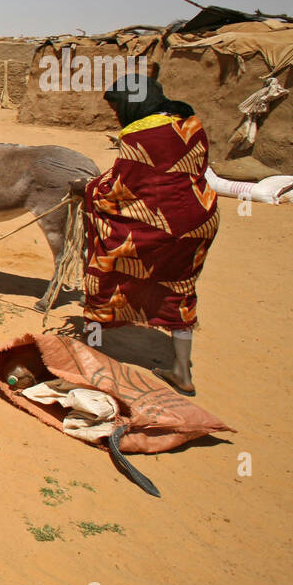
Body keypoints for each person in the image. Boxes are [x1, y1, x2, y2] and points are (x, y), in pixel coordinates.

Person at [78, 73, 219, 395]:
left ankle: (91, 362)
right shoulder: (188, 121)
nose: (118, 116)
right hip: (199, 217)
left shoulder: (141, 133)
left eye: (118, 109)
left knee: (105, 272)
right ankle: (182, 371)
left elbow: (122, 187)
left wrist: (88, 190)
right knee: (179, 287)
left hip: (158, 223)